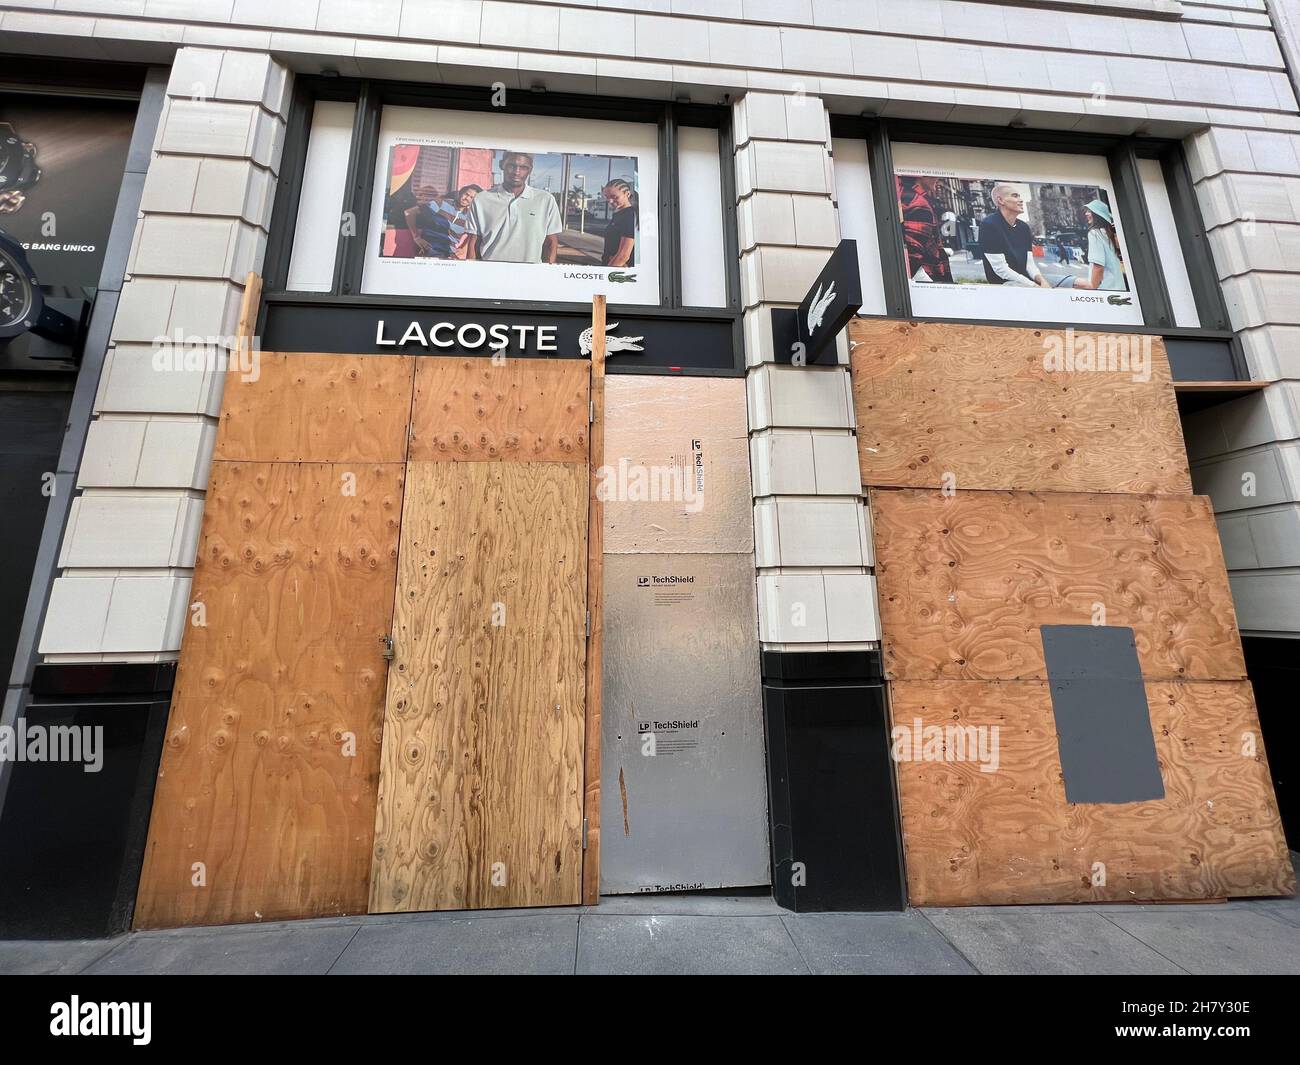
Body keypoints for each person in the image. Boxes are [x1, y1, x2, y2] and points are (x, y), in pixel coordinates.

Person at [466, 151, 562, 263]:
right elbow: (474, 242)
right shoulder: (481, 199)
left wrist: (547, 274)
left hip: (531, 275)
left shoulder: (545, 200)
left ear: (530, 170)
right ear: (502, 165)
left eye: (523, 167)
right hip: (491, 274)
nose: (517, 172)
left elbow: (550, 243)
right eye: (512, 165)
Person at [979, 183, 1049, 288]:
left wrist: (1042, 281)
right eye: (1015, 196)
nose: (1021, 200)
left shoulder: (1023, 227)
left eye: (1019, 196)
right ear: (1001, 200)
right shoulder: (989, 225)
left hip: (1027, 279)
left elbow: (1029, 264)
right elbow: (1001, 270)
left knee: (1082, 283)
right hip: (1005, 282)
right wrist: (1034, 286)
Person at [897, 176, 952, 283]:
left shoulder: (906, 195)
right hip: (929, 277)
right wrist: (929, 287)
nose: (939, 178)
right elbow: (912, 256)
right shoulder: (916, 202)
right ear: (920, 175)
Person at [406, 184, 480, 259]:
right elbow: (409, 212)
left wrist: (464, 248)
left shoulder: (469, 216)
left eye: (471, 197)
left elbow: (472, 234)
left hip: (450, 254)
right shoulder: (442, 203)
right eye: (466, 194)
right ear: (461, 193)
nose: (467, 198)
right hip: (431, 249)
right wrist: (416, 237)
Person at [1070, 198, 1126, 291]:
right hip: (1119, 288)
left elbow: (1098, 266)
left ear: (1097, 215)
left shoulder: (1094, 234)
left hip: (1106, 290)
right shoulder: (1108, 233)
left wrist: (1092, 286)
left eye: (1090, 211)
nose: (1086, 214)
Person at [601, 178, 637, 268]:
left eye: (614, 197)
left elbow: (623, 256)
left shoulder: (629, 215)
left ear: (627, 194)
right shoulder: (619, 214)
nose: (610, 201)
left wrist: (608, 275)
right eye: (607, 197)